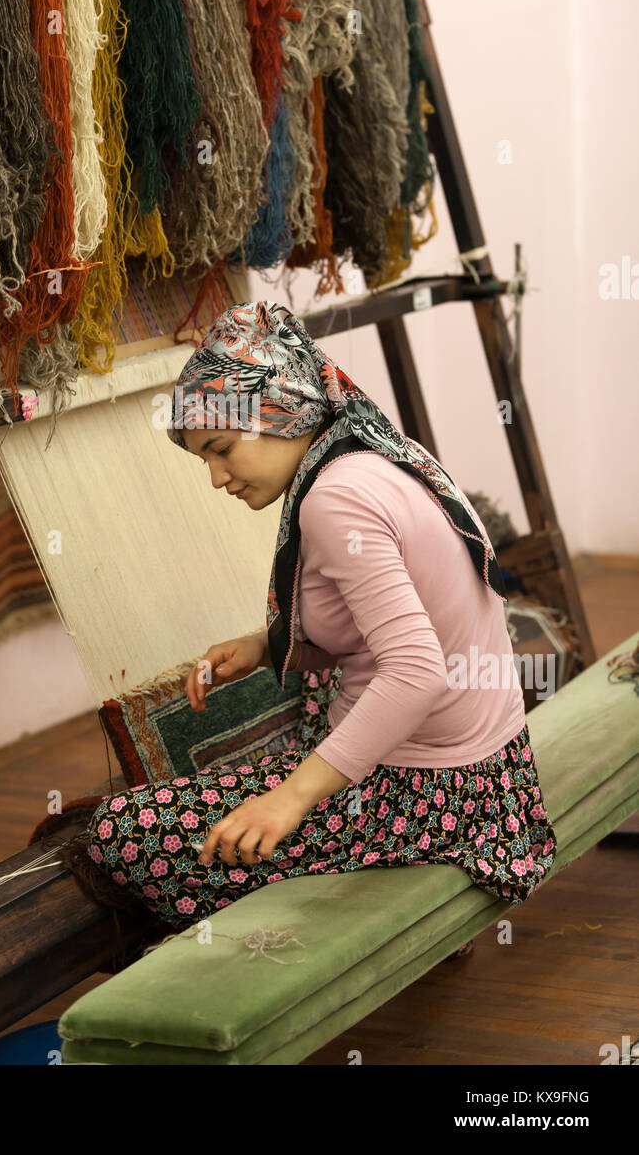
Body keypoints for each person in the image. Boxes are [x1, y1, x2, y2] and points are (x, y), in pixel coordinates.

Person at [84, 300, 557, 928]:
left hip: (431, 793)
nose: (216, 477)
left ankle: (279, 942)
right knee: (307, 701)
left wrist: (288, 800)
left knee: (122, 832)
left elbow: (416, 671)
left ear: (277, 409)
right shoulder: (372, 451)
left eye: (222, 448)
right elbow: (394, 622)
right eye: (203, 459)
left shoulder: (333, 499)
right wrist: (264, 644)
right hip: (495, 772)